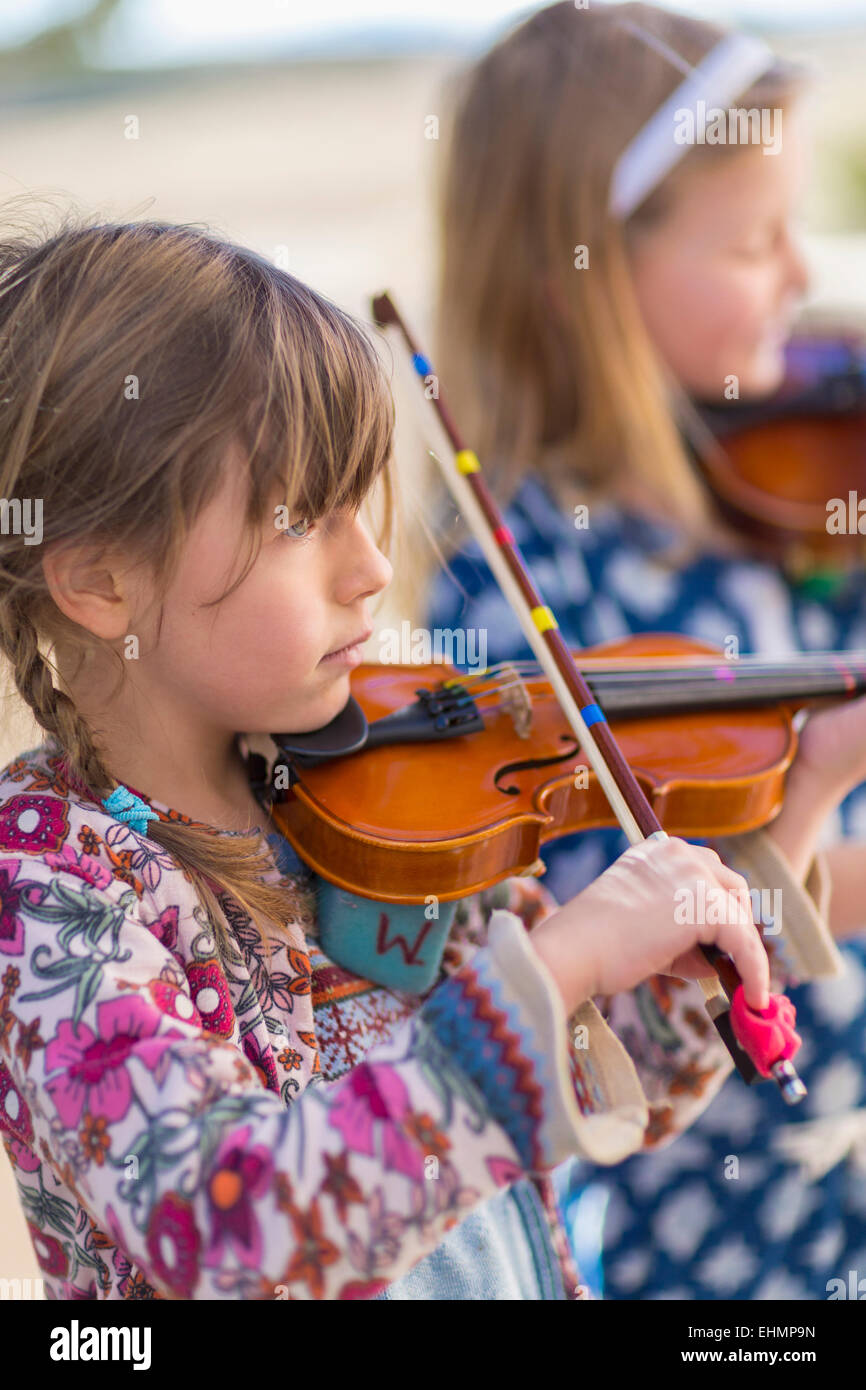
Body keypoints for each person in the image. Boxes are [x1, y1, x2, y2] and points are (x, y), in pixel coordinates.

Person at [0, 211, 849, 1303]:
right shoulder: (54, 887)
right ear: (101, 581)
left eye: (360, 502)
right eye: (301, 516)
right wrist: (555, 969)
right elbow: (230, 1233)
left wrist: (790, 805)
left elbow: (600, 1093)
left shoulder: (366, 796)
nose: (367, 566)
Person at [427, 1, 866, 1299]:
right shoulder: (521, 575)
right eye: (750, 238)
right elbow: (598, 911)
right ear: (587, 274)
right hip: (734, 1207)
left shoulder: (785, 474)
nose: (801, 274)